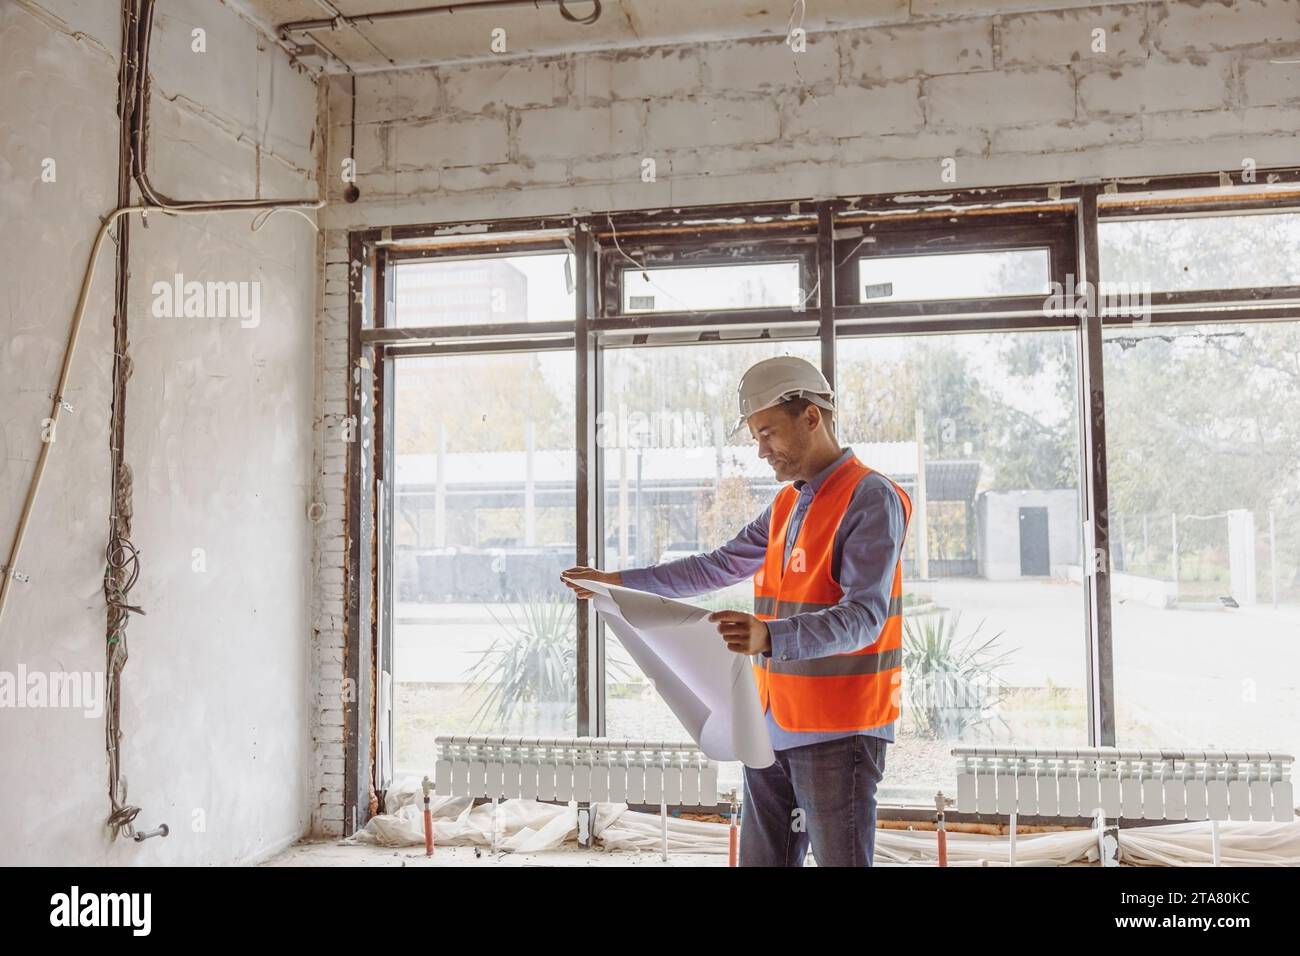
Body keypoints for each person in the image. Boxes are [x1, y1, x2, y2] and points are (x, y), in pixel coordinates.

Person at [563, 355, 911, 867]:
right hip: (769, 721)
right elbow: (717, 566)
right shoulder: (788, 505)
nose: (761, 450)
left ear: (811, 416)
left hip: (840, 730)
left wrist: (768, 636)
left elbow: (864, 616)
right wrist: (616, 584)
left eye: (768, 433)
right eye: (755, 436)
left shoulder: (869, 498)